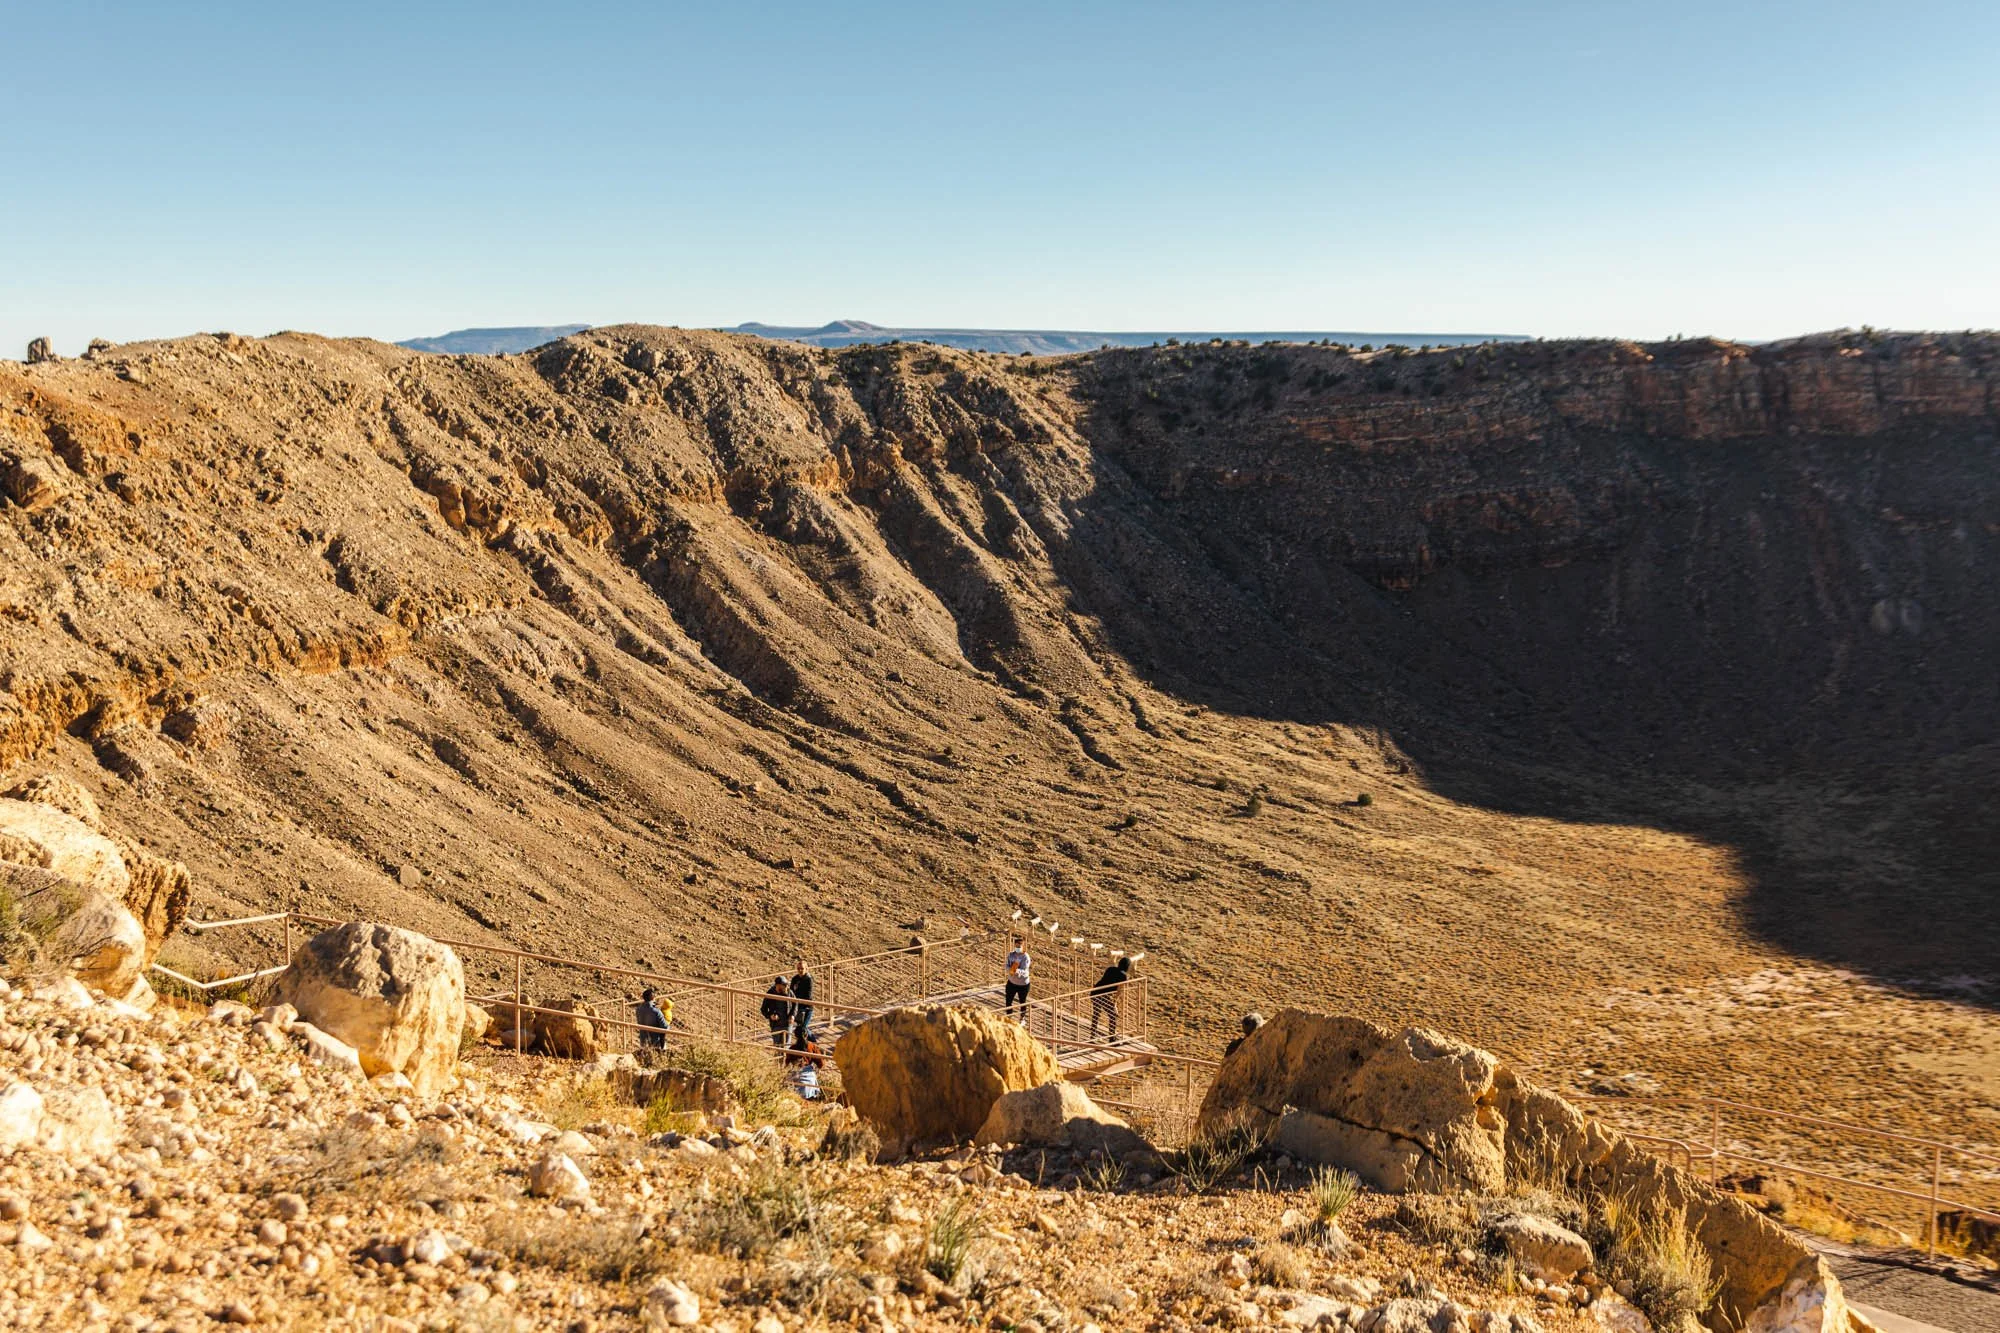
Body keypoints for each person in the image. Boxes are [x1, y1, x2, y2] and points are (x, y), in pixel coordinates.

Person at [1089, 955, 1130, 1040]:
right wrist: (1114, 1003)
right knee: (1113, 1015)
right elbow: (1119, 990)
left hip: (1096, 991)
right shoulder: (1123, 976)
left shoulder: (1110, 969)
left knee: (1096, 1014)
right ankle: (1112, 1037)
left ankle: (1092, 1036)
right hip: (1104, 995)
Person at [1004, 935, 1032, 1019]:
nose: (1018, 948)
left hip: (1022, 984)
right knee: (1008, 1000)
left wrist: (1015, 970)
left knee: (1022, 1001)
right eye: (1016, 946)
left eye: (1019, 946)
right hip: (1012, 982)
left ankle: (1022, 1018)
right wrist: (1010, 969)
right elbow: (1006, 965)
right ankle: (1009, 1017)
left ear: (1022, 946)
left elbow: (1024, 971)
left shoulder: (1025, 957)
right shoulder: (1011, 955)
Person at [760, 975, 792, 1048]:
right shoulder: (770, 993)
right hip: (776, 1025)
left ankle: (784, 1059)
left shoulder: (789, 992)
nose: (783, 988)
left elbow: (795, 1004)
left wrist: (792, 1015)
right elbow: (763, 1009)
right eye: (781, 986)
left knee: (786, 1046)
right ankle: (778, 1059)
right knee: (777, 1046)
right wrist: (770, 1016)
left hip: (787, 1024)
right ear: (777, 985)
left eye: (784, 986)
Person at [787, 1034, 822, 1100]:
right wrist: (819, 1066)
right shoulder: (812, 1046)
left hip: (796, 1072)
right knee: (812, 1084)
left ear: (795, 1035)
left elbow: (787, 1062)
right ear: (806, 1035)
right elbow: (820, 1061)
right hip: (808, 1074)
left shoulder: (792, 1048)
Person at [789, 958, 814, 1046]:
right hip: (798, 1007)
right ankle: (805, 1044)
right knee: (801, 1028)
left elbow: (808, 995)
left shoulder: (809, 979)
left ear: (806, 969)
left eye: (802, 968)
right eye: (798, 968)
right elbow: (791, 992)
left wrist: (798, 999)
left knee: (803, 1028)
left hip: (807, 1008)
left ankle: (813, 1042)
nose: (800, 970)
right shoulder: (795, 979)